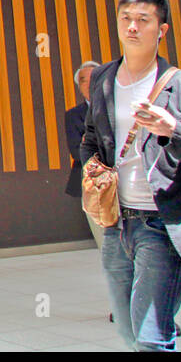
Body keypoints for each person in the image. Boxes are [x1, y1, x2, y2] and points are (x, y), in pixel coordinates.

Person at [81, 0, 181, 351]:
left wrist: (173, 130)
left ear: (162, 29)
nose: (132, 26)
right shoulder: (103, 79)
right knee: (129, 332)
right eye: (125, 18)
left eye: (143, 19)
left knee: (150, 340)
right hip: (116, 224)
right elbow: (91, 137)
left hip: (163, 224)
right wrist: (93, 170)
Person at [65, 60, 104, 250]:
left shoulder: (119, 108)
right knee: (104, 238)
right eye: (83, 81)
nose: (88, 84)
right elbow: (76, 151)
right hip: (92, 180)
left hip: (126, 181)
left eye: (93, 78)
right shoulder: (73, 115)